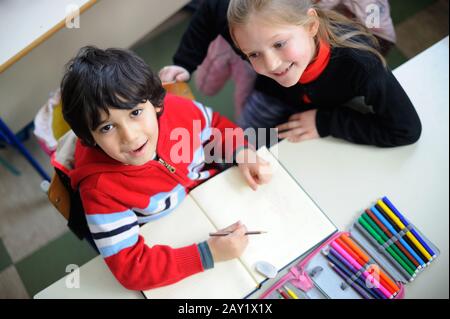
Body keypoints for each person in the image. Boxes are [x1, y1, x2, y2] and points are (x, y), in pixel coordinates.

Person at [55, 46, 272, 290]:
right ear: (91, 138)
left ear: (156, 104)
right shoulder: (100, 189)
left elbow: (215, 127)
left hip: (224, 205)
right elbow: (131, 269)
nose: (130, 136)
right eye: (107, 127)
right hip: (177, 241)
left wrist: (242, 153)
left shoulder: (178, 111)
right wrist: (207, 254)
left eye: (135, 112)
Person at [160, 0, 420, 147]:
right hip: (270, 95)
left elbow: (405, 130)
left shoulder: (362, 65)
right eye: (252, 54)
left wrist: (326, 122)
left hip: (329, 107)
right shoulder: (244, 23)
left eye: (279, 44)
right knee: (242, 146)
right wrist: (185, 63)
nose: (271, 65)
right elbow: (209, 11)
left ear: (311, 25)